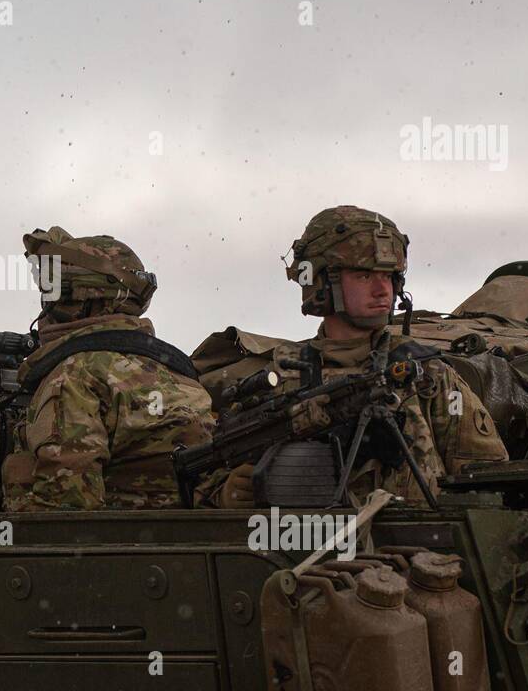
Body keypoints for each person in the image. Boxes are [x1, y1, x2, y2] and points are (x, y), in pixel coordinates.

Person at [215, 205, 508, 508]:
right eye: (365, 275)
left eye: (389, 276)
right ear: (322, 284)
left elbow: (487, 484)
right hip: (303, 552)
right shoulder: (279, 380)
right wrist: (226, 492)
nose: (383, 290)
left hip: (420, 549)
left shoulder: (427, 376)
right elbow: (200, 482)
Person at [0, 227, 218, 511]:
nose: (46, 310)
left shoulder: (77, 375)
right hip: (177, 544)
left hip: (114, 549)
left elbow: (65, 508)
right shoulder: (181, 373)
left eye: (53, 293)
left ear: (86, 299)